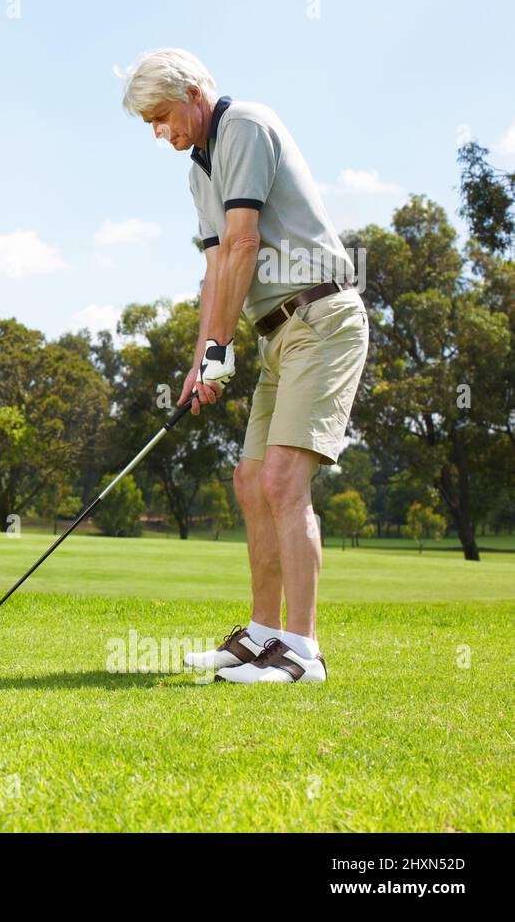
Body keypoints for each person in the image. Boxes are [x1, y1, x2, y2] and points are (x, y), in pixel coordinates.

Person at [120, 48, 369, 683]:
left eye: (163, 116)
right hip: (275, 334)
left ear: (195, 92)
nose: (160, 132)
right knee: (251, 480)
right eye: (150, 123)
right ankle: (261, 635)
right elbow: (215, 267)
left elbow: (245, 242)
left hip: (321, 318)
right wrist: (203, 356)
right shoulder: (198, 171)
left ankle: (302, 652)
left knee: (285, 482)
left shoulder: (246, 127)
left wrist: (220, 350)